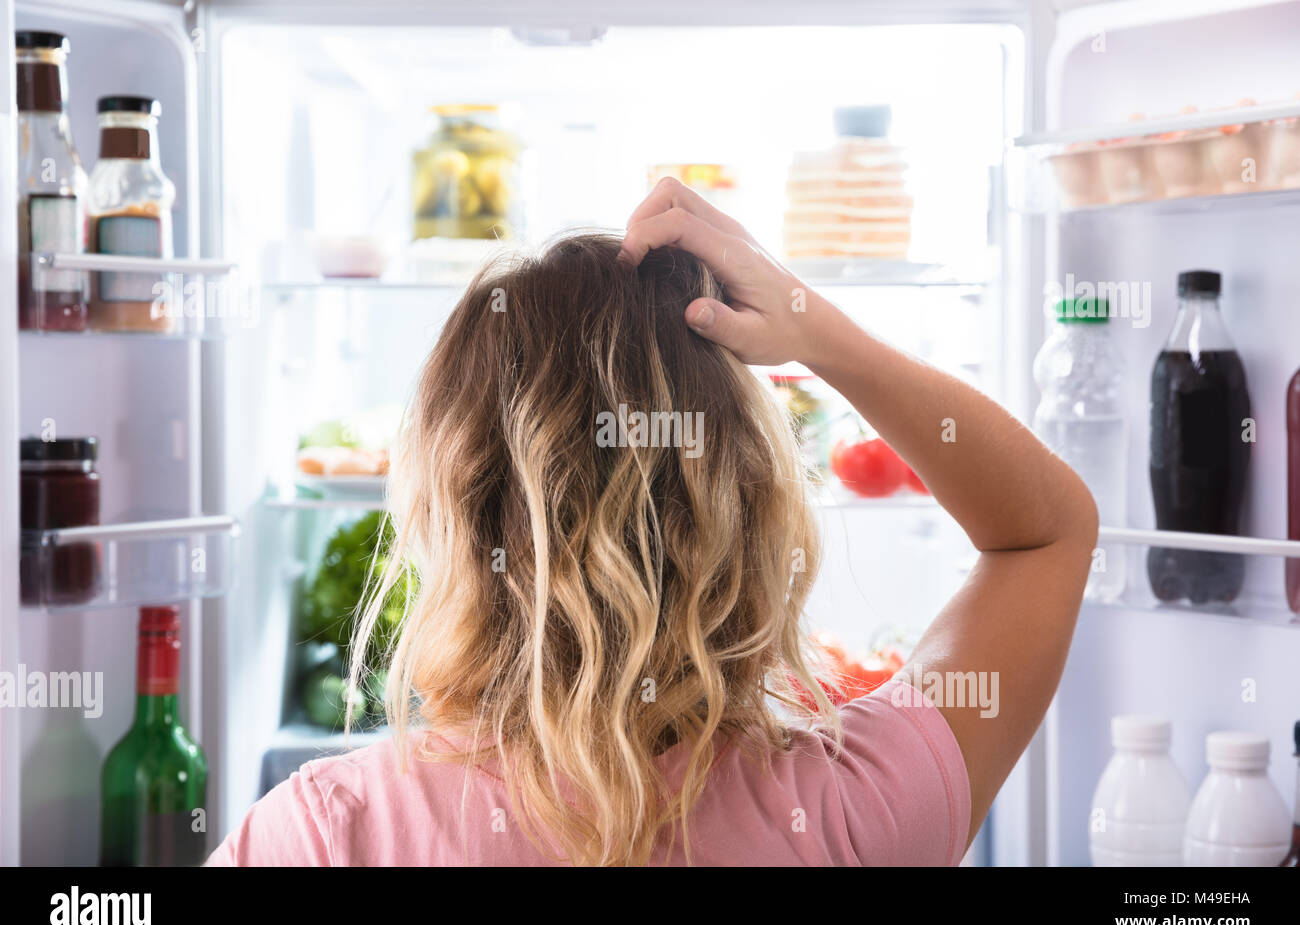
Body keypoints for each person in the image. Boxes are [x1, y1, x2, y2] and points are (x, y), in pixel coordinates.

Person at [208, 179, 1097, 866]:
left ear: (446, 508)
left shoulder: (326, 835)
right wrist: (817, 332)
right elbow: (1047, 533)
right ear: (747, 505)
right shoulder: (856, 809)